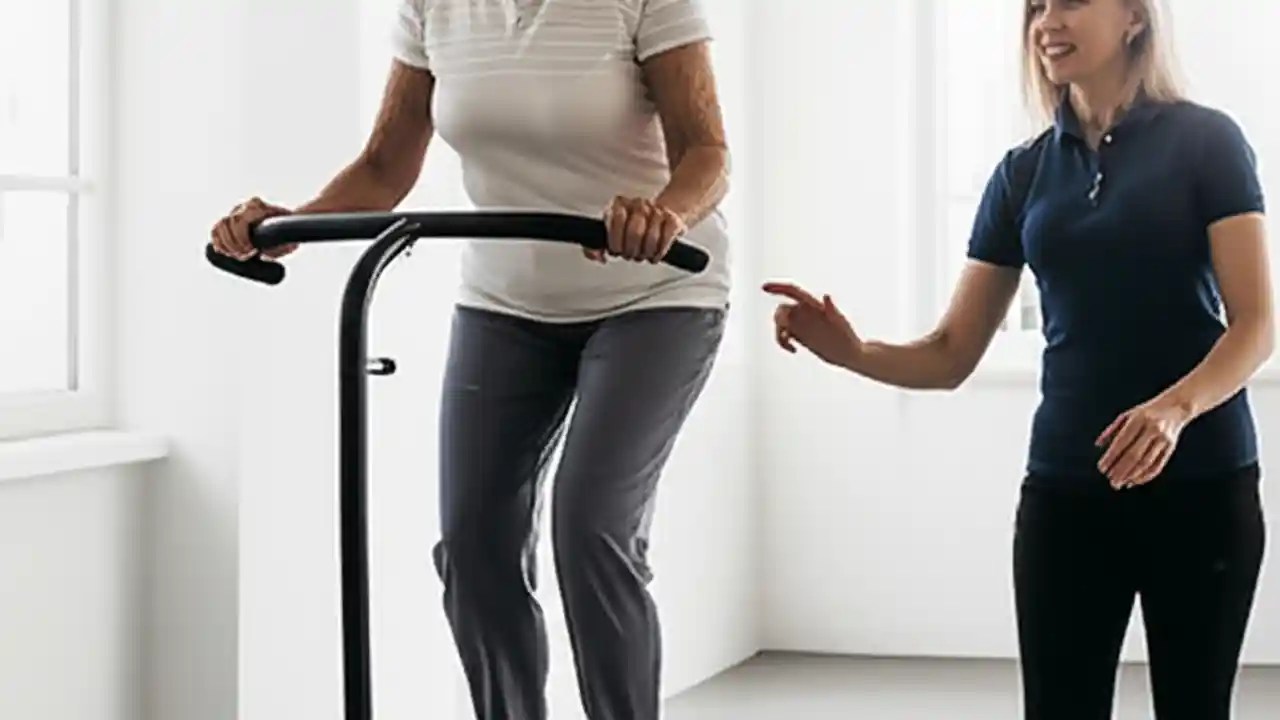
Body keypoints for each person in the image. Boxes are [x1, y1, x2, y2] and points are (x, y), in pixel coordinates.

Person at [210, 1, 731, 718]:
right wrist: (288, 225)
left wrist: (662, 213)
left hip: (655, 293)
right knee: (474, 547)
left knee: (590, 527)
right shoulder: (433, 7)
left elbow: (707, 151)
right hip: (506, 303)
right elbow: (385, 164)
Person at [766, 0, 1270, 718]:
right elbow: (949, 354)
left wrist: (1173, 410)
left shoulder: (1208, 142)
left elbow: (1254, 324)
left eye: (1069, 2)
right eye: (1035, 7)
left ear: (1134, 17)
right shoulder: (1023, 173)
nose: (1044, 22)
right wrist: (853, 352)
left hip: (1202, 488)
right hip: (1065, 495)